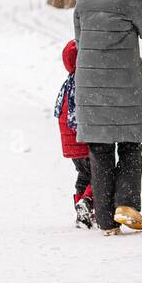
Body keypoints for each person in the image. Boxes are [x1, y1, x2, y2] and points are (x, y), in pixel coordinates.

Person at [73, 0, 142, 235]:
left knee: (99, 151)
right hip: (127, 87)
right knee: (130, 146)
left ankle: (107, 220)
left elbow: (80, 38)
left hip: (90, 89)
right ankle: (126, 204)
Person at [54, 39, 94, 228]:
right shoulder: (83, 85)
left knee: (83, 175)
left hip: (71, 144)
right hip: (83, 141)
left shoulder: (67, 85)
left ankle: (81, 213)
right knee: (97, 174)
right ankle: (86, 201)